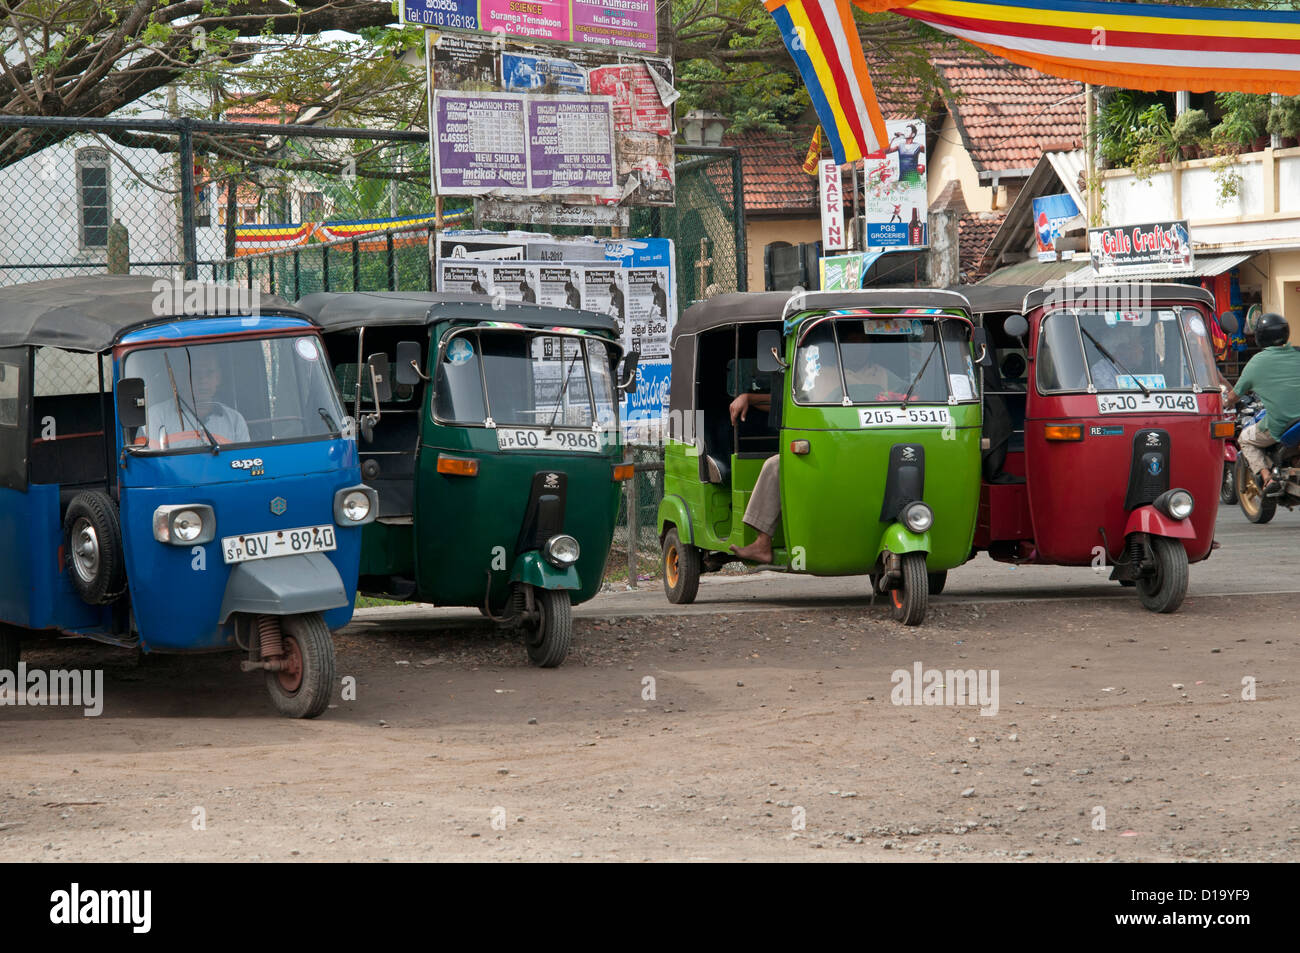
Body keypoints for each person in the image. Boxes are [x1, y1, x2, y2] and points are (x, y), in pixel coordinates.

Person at [728, 338, 902, 564]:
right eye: (853, 343)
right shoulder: (821, 374)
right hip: (827, 448)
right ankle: (763, 542)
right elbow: (785, 402)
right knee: (776, 465)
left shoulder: (885, 376)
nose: (859, 349)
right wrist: (748, 398)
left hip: (872, 446)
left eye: (864, 343)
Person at [1221, 312, 1300, 493]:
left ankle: (1267, 478)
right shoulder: (1297, 352)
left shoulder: (1257, 362)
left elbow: (1235, 395)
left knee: (1246, 439)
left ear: (1260, 337)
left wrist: (1224, 403)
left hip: (1281, 425)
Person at [144, 348, 250, 448]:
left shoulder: (234, 420)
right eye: (195, 373)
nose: (203, 380)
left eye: (209, 373)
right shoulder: (156, 416)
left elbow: (244, 460)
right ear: (181, 378)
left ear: (218, 378)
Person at [1087, 325, 1149, 390]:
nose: (1142, 349)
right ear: (1121, 349)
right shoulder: (1100, 373)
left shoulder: (1129, 370)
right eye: (1138, 344)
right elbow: (1112, 396)